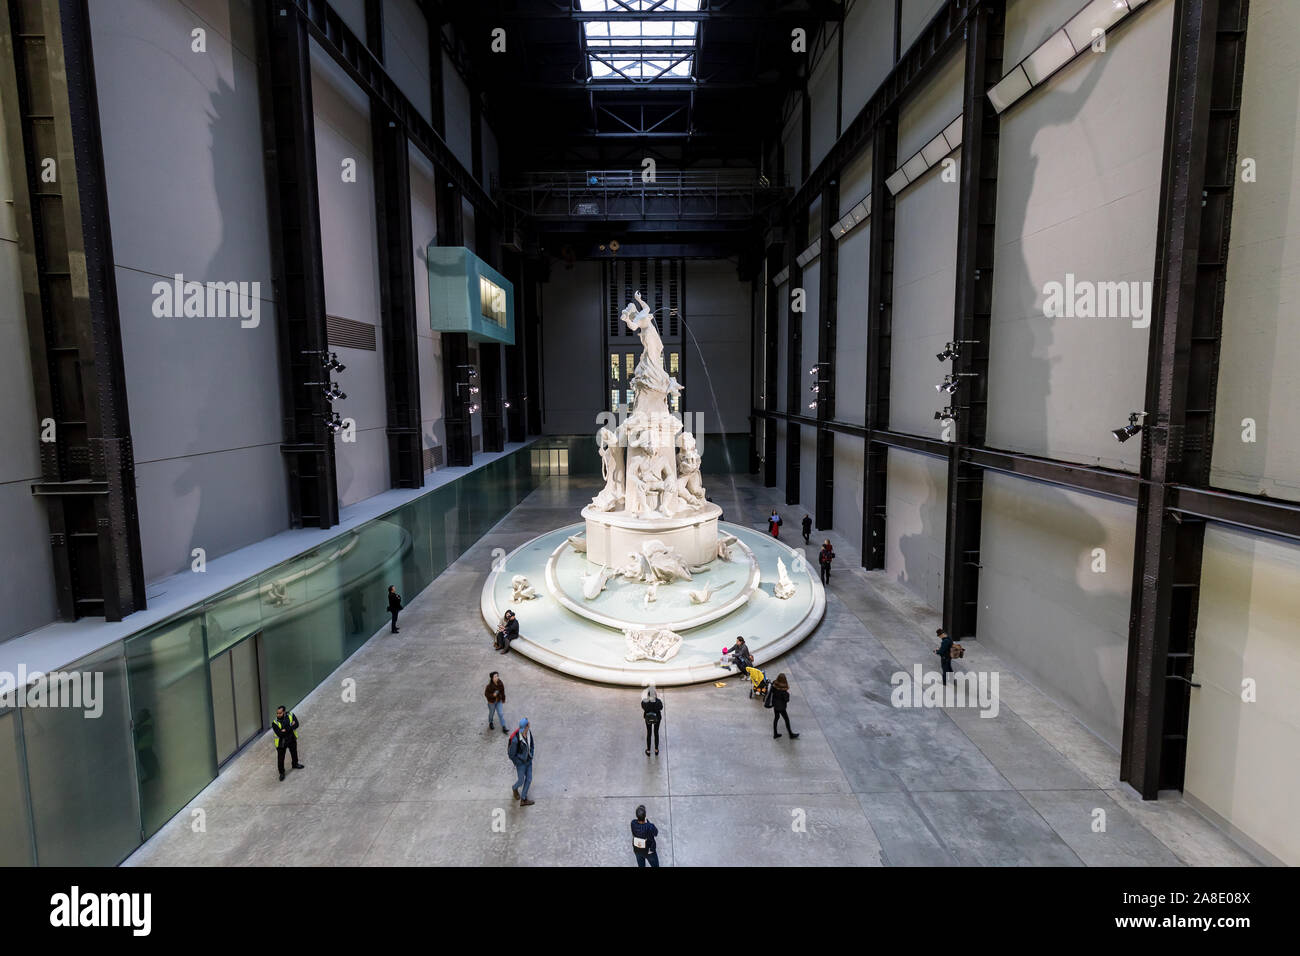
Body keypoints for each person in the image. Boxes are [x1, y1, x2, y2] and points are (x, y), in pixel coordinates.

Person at [272, 705, 305, 780]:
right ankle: (281, 773)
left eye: (280, 713)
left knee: (294, 752)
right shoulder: (275, 723)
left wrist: (285, 730)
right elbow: (280, 734)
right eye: (277, 713)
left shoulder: (291, 715)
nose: (278, 715)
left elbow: (296, 724)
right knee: (281, 759)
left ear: (284, 712)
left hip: (291, 738)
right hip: (281, 743)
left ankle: (295, 764)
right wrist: (290, 726)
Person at [508, 717, 536, 806]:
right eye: (528, 724)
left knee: (529, 779)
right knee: (521, 781)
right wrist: (519, 762)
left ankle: (523, 799)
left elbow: (532, 744)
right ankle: (514, 788)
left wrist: (531, 754)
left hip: (529, 761)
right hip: (521, 764)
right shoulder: (516, 740)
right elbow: (511, 754)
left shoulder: (529, 732)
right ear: (526, 726)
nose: (529, 725)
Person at [767, 674, 799, 740]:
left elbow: (771, 692)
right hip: (781, 707)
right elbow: (787, 700)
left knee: (776, 718)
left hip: (775, 706)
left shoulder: (774, 685)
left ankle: (775, 734)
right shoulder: (783, 691)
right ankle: (791, 734)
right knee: (786, 719)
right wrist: (787, 694)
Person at [641, 685, 664, 756]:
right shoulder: (658, 701)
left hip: (648, 718)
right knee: (656, 733)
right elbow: (661, 708)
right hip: (657, 718)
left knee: (649, 733)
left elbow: (643, 707)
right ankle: (656, 750)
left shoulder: (645, 702)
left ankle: (648, 751)